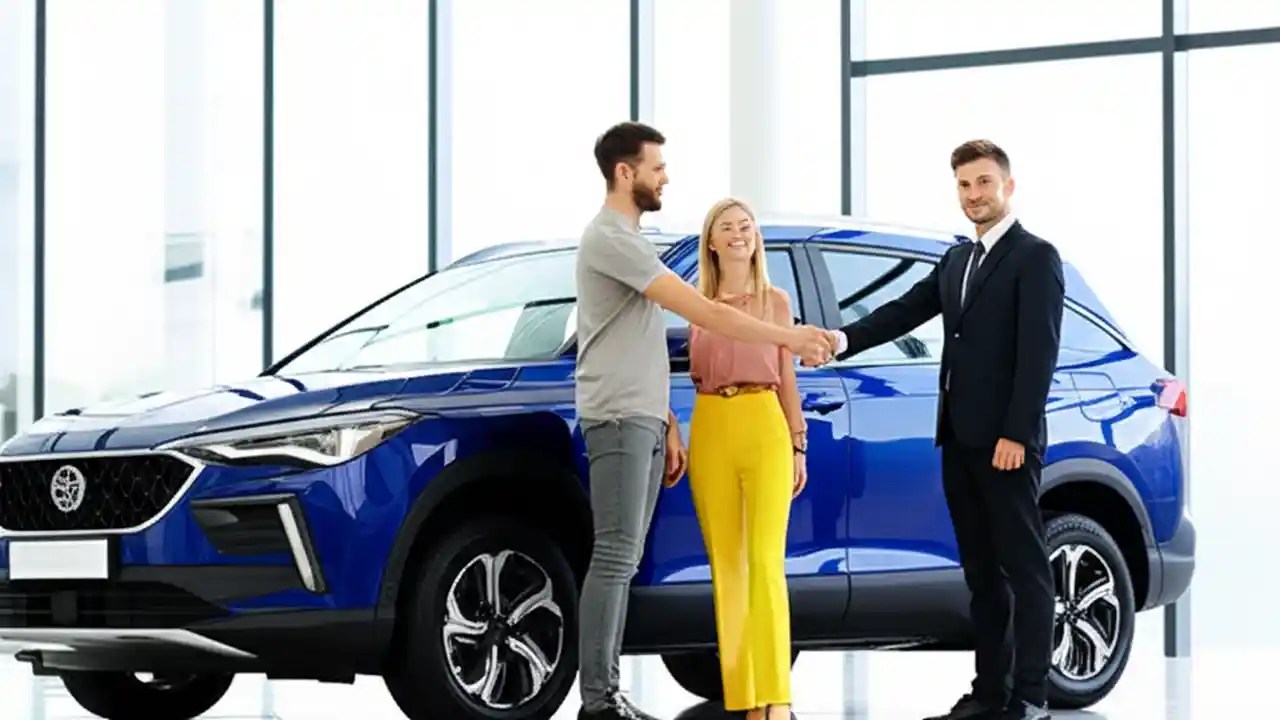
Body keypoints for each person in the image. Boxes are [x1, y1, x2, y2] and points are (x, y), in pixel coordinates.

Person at [574, 121, 833, 720]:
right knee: (617, 556)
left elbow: (629, 340)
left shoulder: (630, 241)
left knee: (628, 556)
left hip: (646, 414)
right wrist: (789, 338)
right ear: (625, 172)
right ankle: (600, 701)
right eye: (657, 167)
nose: (666, 177)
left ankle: (614, 697)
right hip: (624, 416)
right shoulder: (614, 240)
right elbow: (704, 314)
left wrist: (662, 414)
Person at [815, 140, 1062, 720]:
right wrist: (841, 340)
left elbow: (1038, 356)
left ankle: (1031, 695)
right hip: (956, 439)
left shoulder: (1035, 257)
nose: (974, 195)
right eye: (964, 185)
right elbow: (903, 310)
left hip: (1005, 443)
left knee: (1024, 570)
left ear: (1008, 186)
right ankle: (990, 692)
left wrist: (1016, 435)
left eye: (983, 183)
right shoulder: (957, 261)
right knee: (980, 574)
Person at [684, 197, 806, 720]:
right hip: (712, 422)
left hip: (764, 424)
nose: (738, 233)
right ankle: (746, 698)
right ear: (710, 241)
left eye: (746, 226)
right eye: (726, 227)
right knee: (726, 568)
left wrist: (798, 441)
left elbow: (787, 372)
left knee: (764, 562)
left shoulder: (775, 301)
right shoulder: (695, 305)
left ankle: (776, 697)